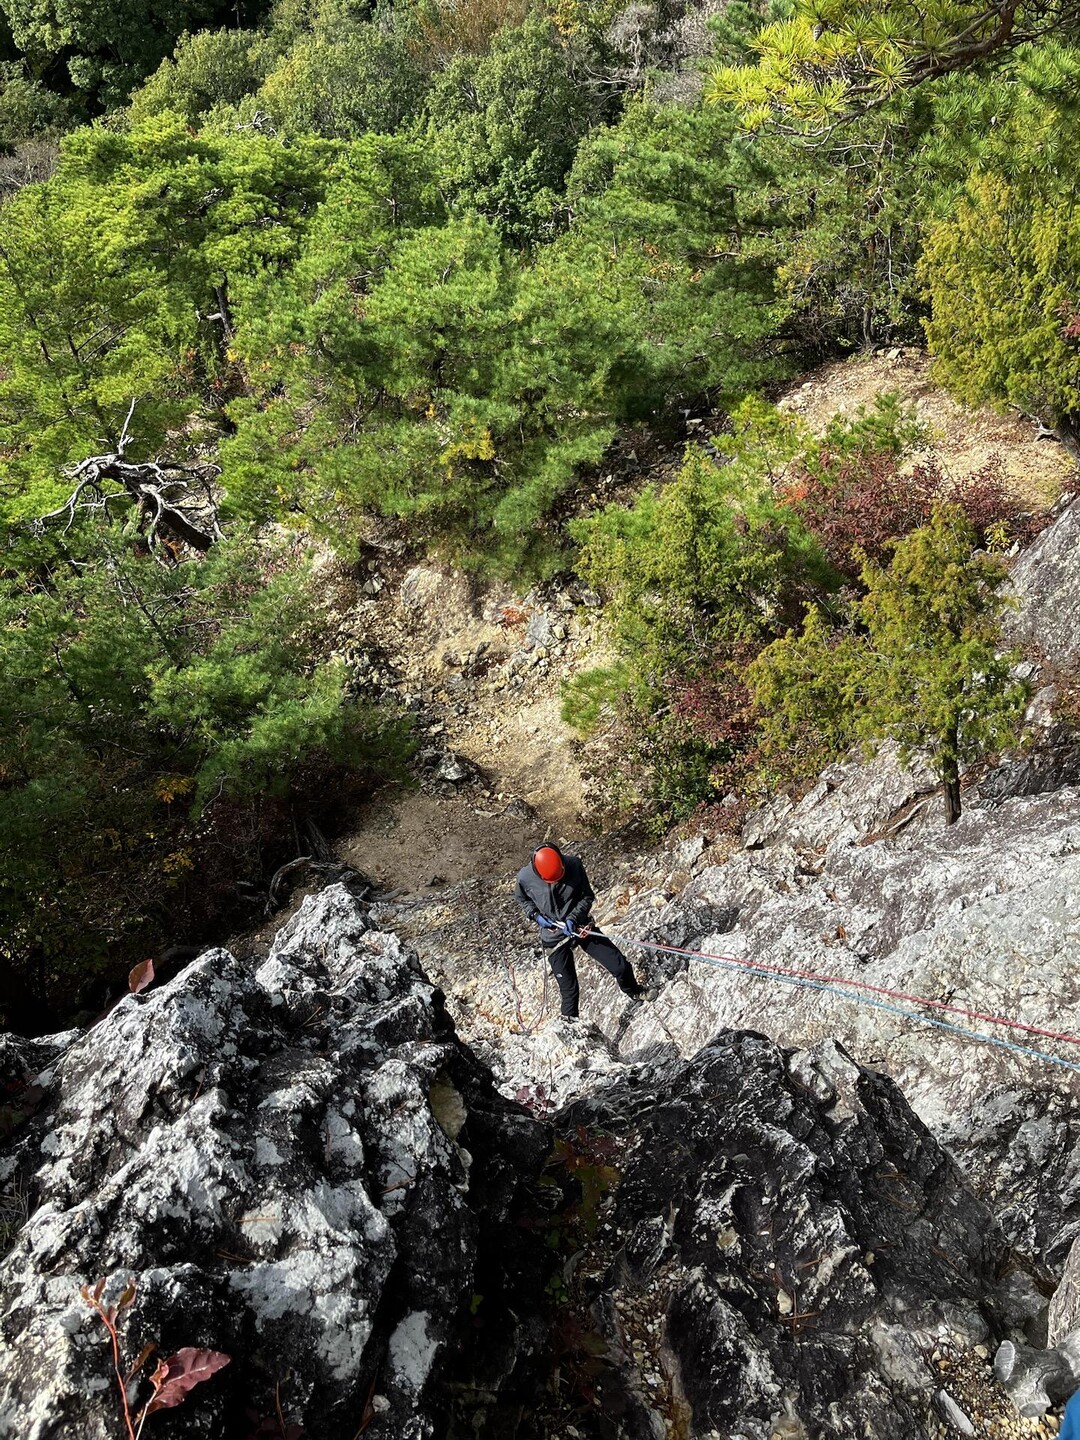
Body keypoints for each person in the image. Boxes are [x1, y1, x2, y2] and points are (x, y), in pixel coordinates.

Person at [513, 844, 649, 1020]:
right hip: (554, 936)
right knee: (569, 991)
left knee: (620, 966)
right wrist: (535, 915)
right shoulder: (524, 877)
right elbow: (522, 899)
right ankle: (570, 1028)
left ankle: (635, 991)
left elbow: (587, 896)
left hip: (580, 926)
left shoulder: (574, 865)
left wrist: (573, 918)